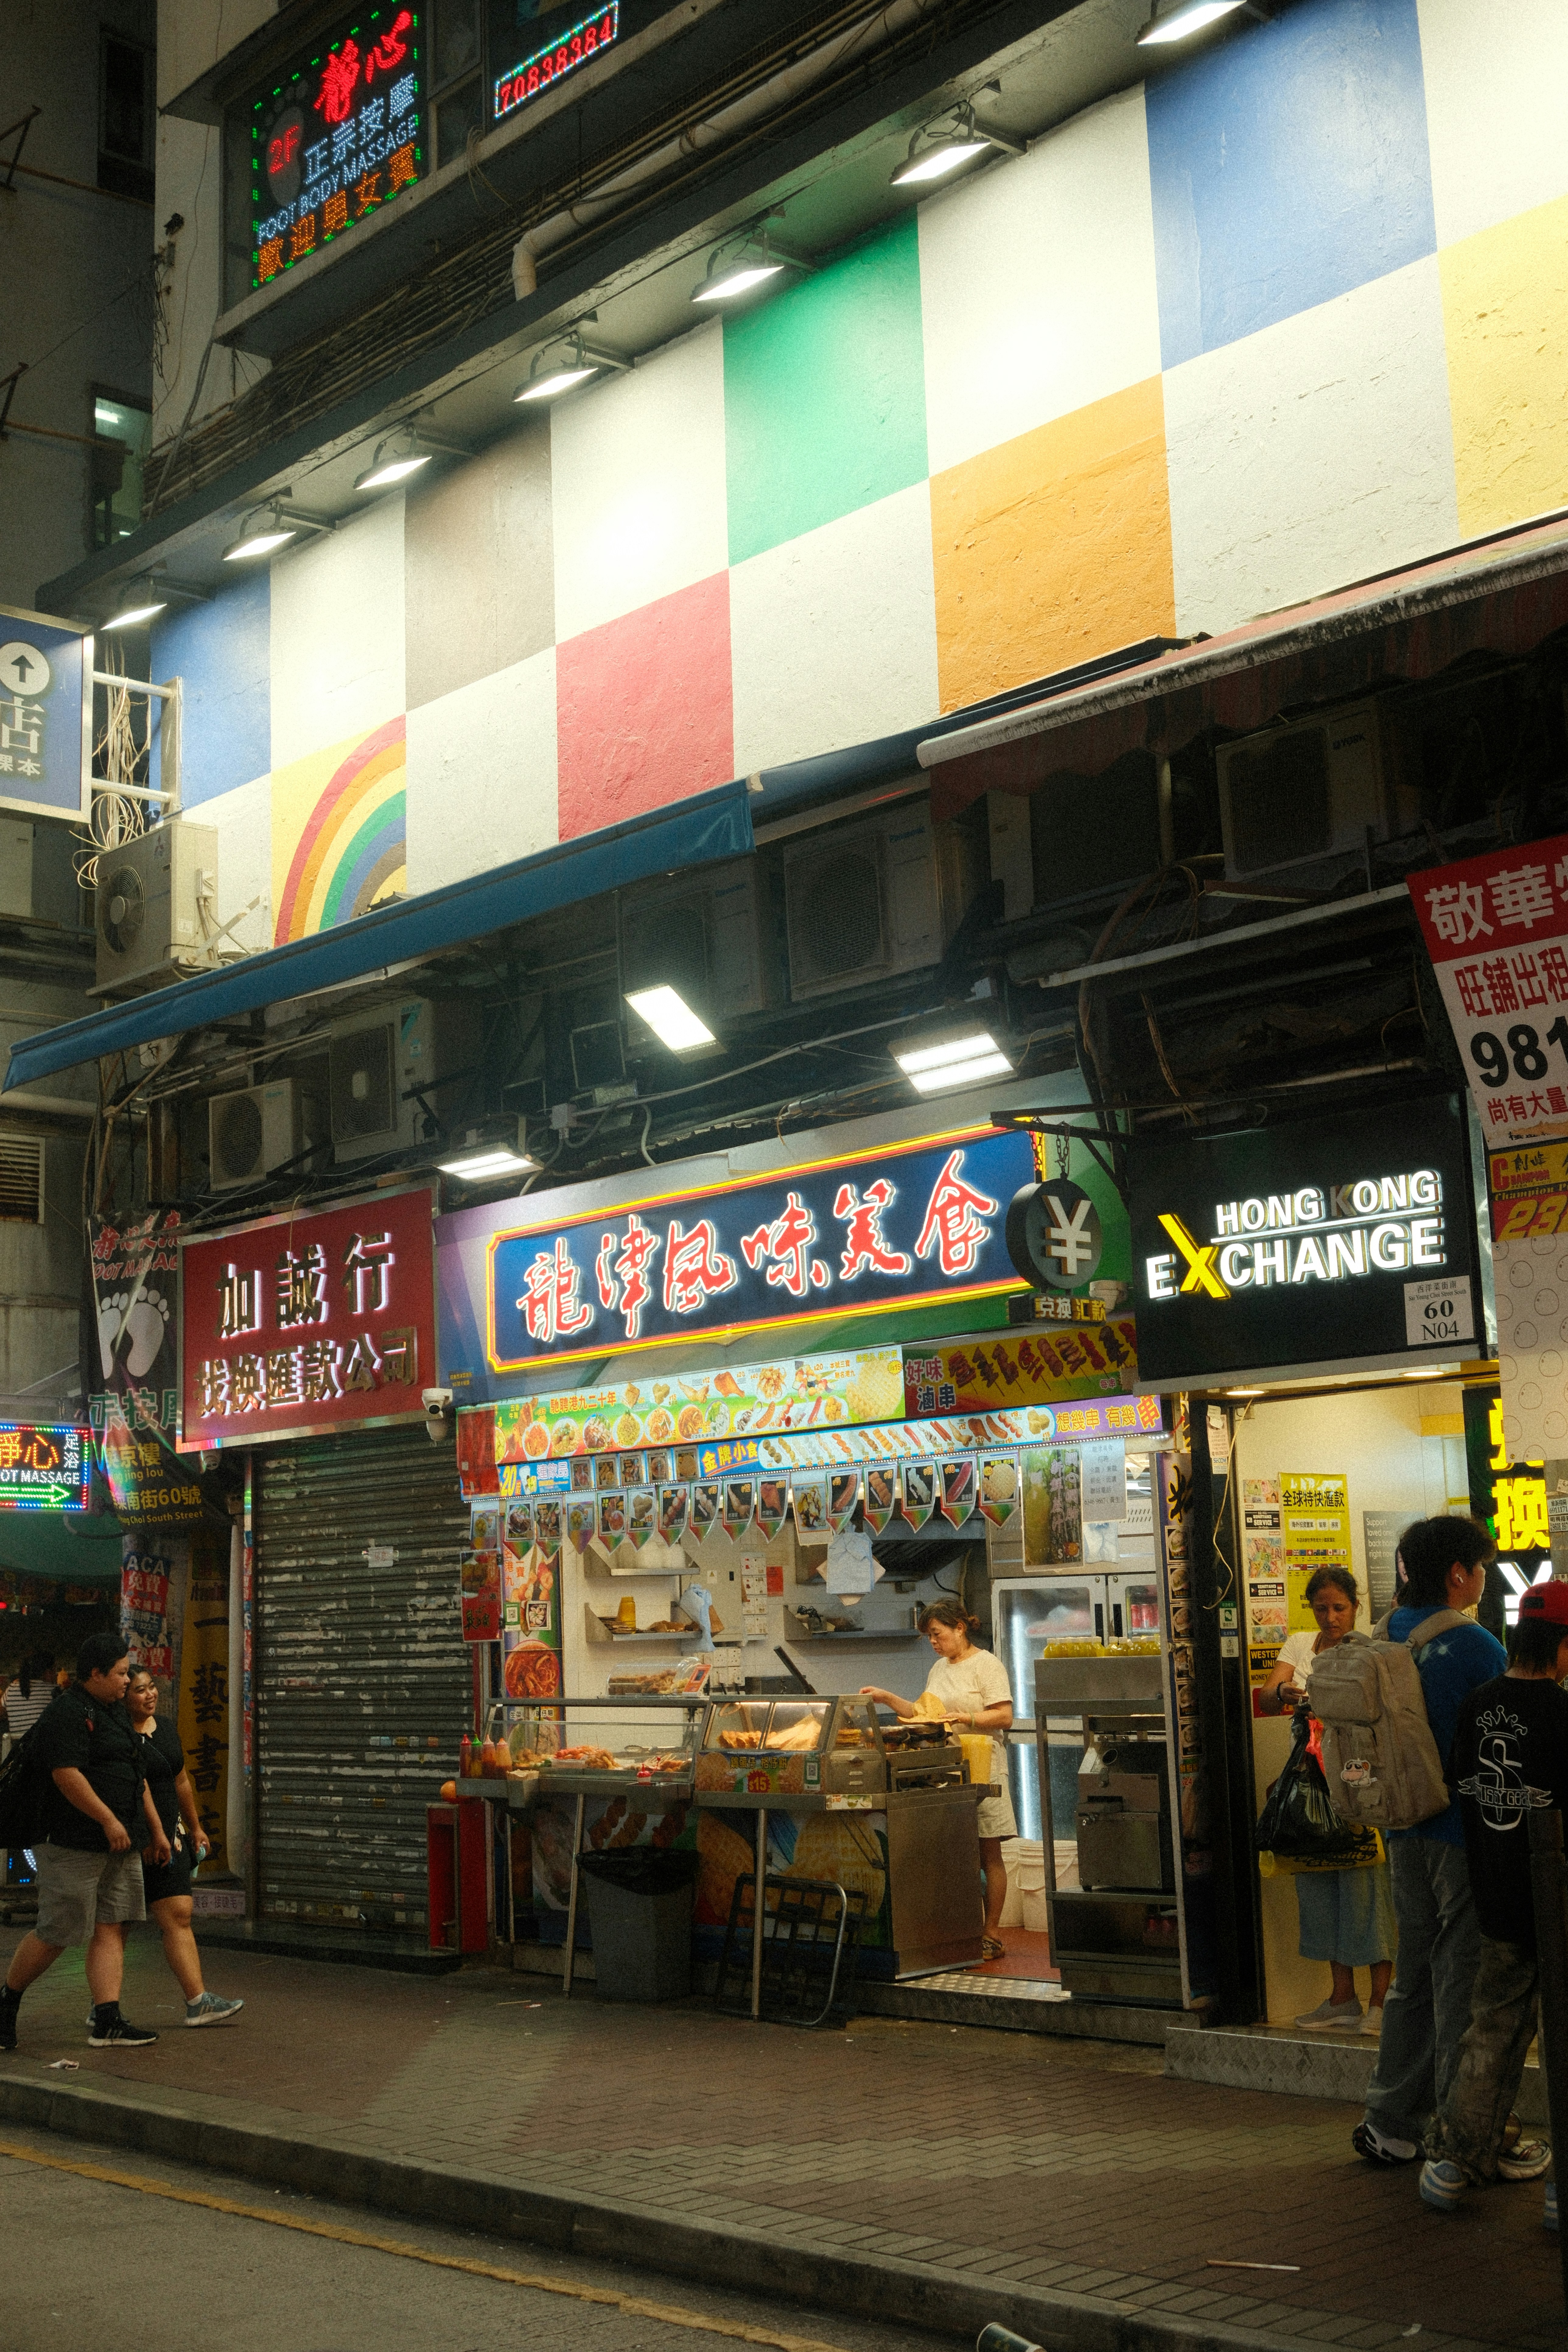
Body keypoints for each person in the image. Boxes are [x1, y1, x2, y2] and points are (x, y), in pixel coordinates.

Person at [1353, 1515, 1509, 2167]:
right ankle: (1458, 2131)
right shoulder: (1475, 1646)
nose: (1482, 1578)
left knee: (1411, 1974)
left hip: (1400, 1826)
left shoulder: (1383, 1633)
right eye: (1480, 1567)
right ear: (1457, 1573)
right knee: (1458, 1979)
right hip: (1458, 1830)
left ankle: (1388, 2120)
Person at [1418, 1580, 1566, 2220]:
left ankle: (1452, 2162)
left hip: (1495, 1897)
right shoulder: (1563, 1714)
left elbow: (1463, 1785)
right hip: (1558, 1905)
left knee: (1491, 2029)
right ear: (1561, 1644)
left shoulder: (1479, 1706)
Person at [0, 1631, 167, 2052]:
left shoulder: (111, 1710)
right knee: (59, 1931)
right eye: (120, 1674)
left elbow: (135, 1770)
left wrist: (153, 1830)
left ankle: (108, 2020)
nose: (127, 1682)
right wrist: (108, 1820)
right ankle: (7, 2003)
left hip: (121, 1842)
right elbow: (66, 1775)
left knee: (112, 1924)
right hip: (74, 1843)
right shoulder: (68, 1712)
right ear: (95, 1674)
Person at [1260, 1565, 1395, 2034]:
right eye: (1322, 1609)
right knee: (1320, 1883)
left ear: (1355, 1607)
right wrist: (1283, 1691)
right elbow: (1265, 1697)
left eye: (1339, 1608)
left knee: (1367, 1888)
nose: (1331, 1618)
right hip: (1310, 1781)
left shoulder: (1369, 1647)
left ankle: (1381, 1999)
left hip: (1358, 1778)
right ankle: (1342, 1998)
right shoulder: (1300, 1645)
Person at [861, 1597, 1016, 1960]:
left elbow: (1005, 1717)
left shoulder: (987, 1665)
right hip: (945, 1766)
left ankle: (991, 1932)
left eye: (937, 1634)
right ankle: (957, 1931)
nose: (934, 1642)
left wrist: (966, 1717)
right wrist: (885, 1698)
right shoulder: (938, 1669)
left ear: (959, 1628)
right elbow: (923, 1714)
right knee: (954, 1851)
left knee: (987, 1851)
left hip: (983, 1764)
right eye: (930, 1637)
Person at [123, 1668, 243, 2029]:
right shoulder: (118, 1736)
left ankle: (197, 2001)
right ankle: (103, 2005)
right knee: (116, 1926)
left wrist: (195, 1826)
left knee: (179, 1914)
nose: (150, 1695)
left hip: (170, 1840)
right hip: (133, 1842)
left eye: (152, 1687)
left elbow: (181, 1780)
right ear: (123, 1696)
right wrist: (149, 1834)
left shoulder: (166, 1728)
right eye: (140, 1690)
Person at [1, 1654, 57, 1741]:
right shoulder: (54, 1691)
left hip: (19, 1751)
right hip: (46, 1750)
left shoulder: (12, 1688)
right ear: (48, 1672)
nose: (56, 1675)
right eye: (55, 1671)